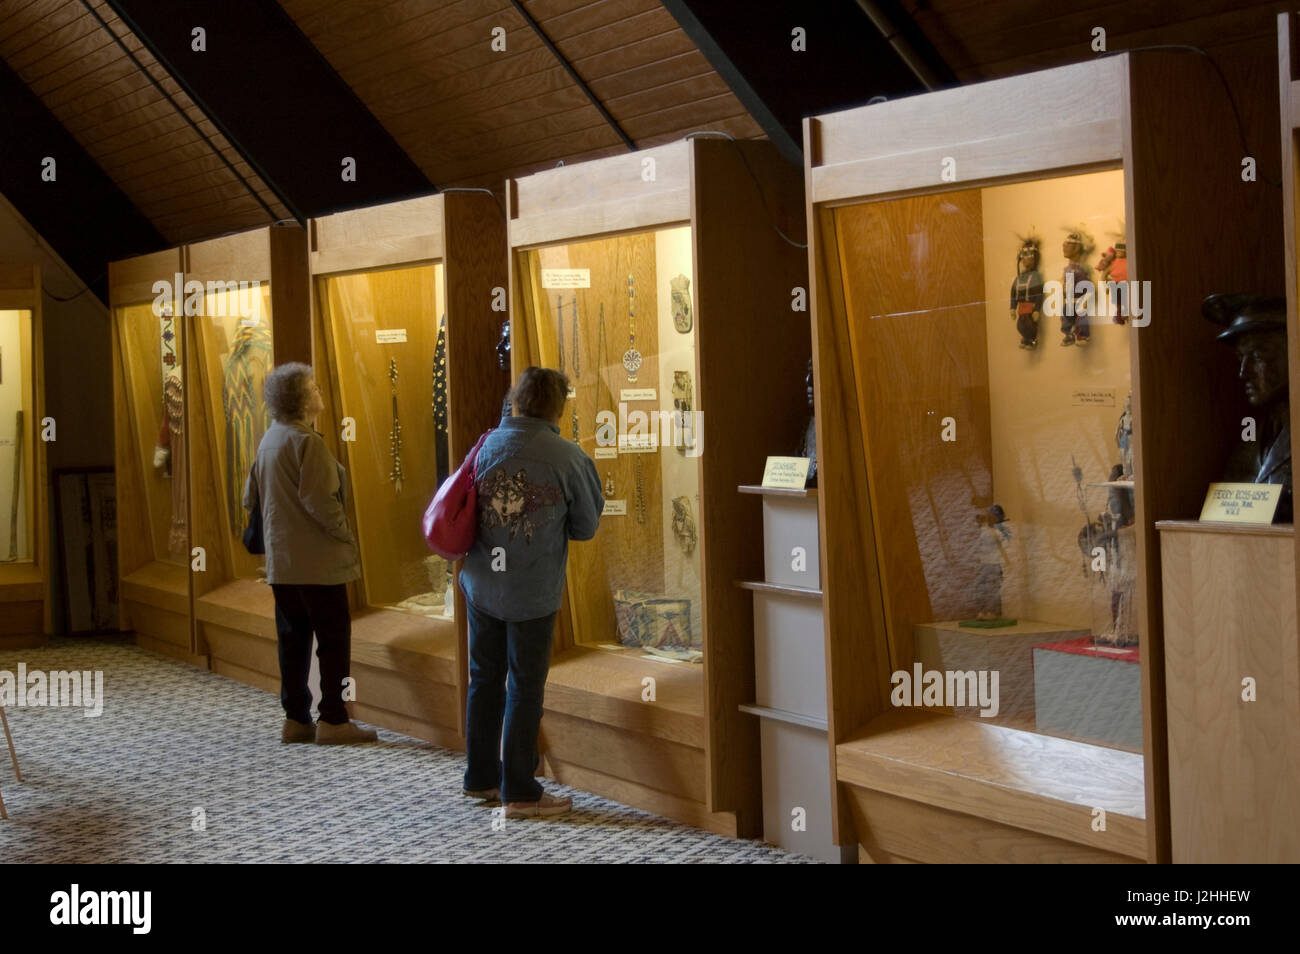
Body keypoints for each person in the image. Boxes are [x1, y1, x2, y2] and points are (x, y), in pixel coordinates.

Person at [459, 367, 603, 818]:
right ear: (558, 407)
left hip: (482, 585)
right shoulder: (567, 457)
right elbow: (585, 526)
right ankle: (519, 789)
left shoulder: (485, 447)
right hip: (532, 592)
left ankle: (481, 776)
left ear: (516, 400)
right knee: (524, 685)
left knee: (484, 678)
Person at [243, 362, 377, 745]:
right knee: (333, 639)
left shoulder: (269, 439)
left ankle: (296, 717)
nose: (320, 393)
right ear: (302, 399)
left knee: (293, 638)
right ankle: (334, 719)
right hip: (318, 563)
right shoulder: (307, 442)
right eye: (314, 388)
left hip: (281, 562)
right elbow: (320, 501)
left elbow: (248, 498)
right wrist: (348, 537)